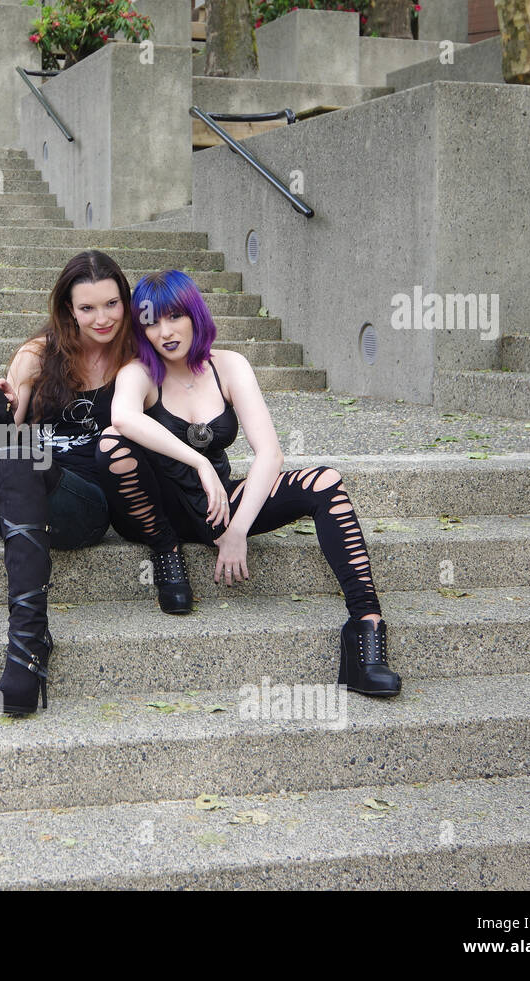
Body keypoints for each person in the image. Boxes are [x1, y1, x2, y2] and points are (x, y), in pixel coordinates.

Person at [94, 270, 400, 696]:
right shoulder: (139, 372)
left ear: (194, 315)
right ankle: (166, 551)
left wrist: (237, 531)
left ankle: (365, 631)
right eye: (150, 322)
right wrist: (198, 463)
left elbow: (270, 454)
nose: (164, 332)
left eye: (174, 317)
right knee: (113, 445)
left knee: (326, 482)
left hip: (219, 505)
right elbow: (123, 418)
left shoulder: (229, 365)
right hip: (156, 508)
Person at [0, 250, 138, 714]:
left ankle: (28, 640)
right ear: (67, 310)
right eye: (87, 308)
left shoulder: (137, 360)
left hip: (81, 503)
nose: (102, 318)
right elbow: (12, 432)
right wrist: (5, 403)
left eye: (112, 304)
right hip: (18, 492)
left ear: (126, 302)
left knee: (19, 450)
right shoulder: (41, 353)